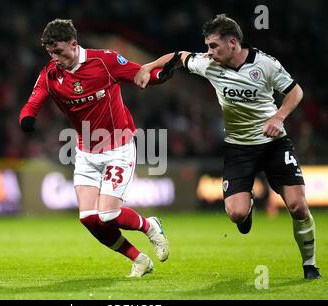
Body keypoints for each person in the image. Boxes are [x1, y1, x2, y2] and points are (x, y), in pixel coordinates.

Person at [135, 14, 321, 280]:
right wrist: (148, 66)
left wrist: (278, 117)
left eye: (213, 46)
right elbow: (178, 56)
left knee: (298, 207)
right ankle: (246, 212)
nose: (209, 52)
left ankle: (310, 266)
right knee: (236, 213)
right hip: (238, 149)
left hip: (274, 145)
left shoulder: (265, 64)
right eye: (208, 46)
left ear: (232, 43)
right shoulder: (209, 64)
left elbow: (295, 92)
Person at [19, 18, 169, 277]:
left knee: (108, 214)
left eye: (58, 51)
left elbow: (139, 73)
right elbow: (31, 105)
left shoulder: (104, 61)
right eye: (50, 52)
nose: (54, 57)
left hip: (118, 147)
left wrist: (159, 76)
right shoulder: (50, 75)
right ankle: (139, 259)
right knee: (89, 218)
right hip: (86, 152)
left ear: (74, 44)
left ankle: (149, 225)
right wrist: (27, 120)